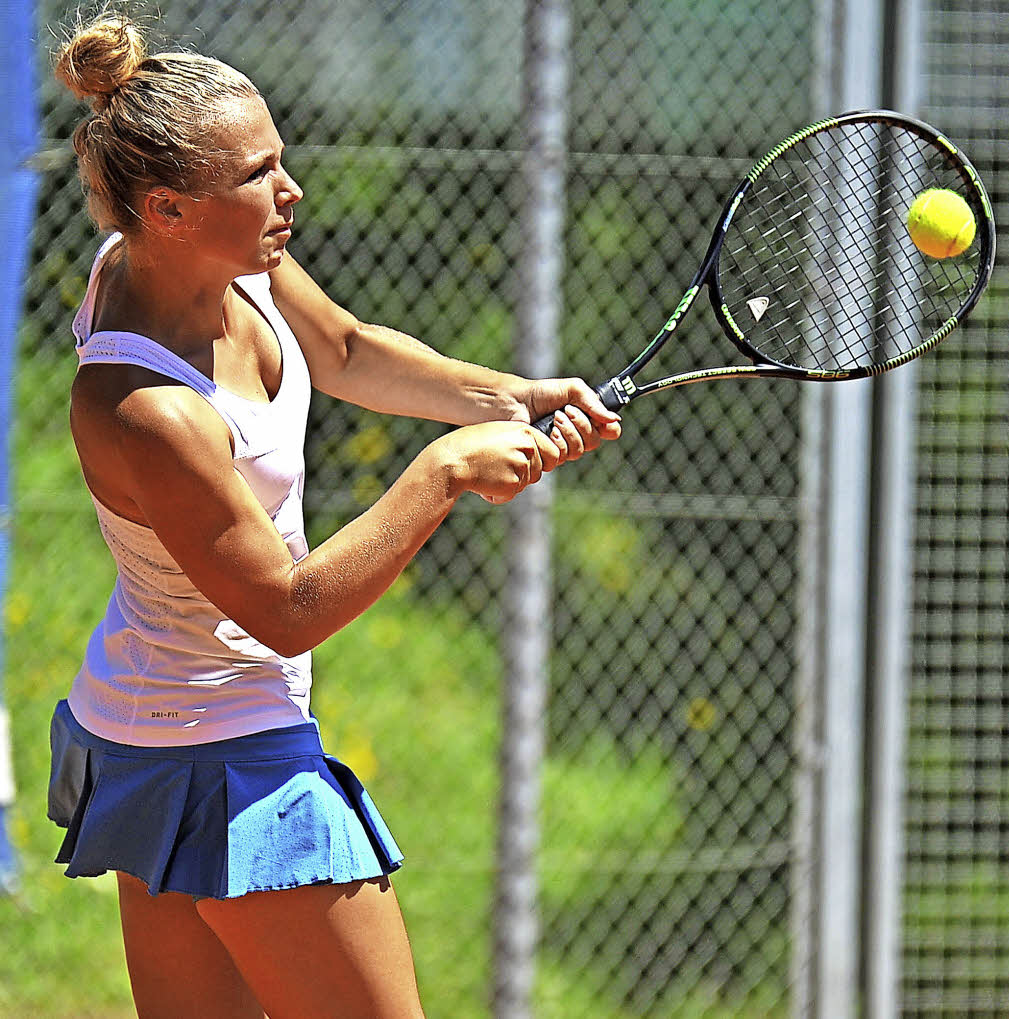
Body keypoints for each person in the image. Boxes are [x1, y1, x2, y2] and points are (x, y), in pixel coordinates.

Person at [47, 12, 620, 1019]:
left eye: (281, 160)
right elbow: (286, 608)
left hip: (157, 730)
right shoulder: (148, 408)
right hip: (217, 749)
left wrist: (509, 396)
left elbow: (346, 349)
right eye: (258, 174)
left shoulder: (212, 260)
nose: (291, 190)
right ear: (168, 207)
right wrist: (443, 471)